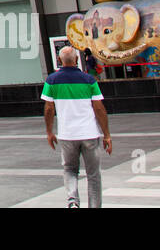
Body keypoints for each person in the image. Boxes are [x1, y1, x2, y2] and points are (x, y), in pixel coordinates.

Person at [43, 47, 112, 208]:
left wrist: (49, 132)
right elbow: (99, 108)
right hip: (89, 134)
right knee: (93, 175)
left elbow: (48, 108)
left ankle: (73, 200)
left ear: (59, 61)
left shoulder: (51, 80)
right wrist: (106, 134)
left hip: (67, 135)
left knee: (70, 170)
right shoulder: (89, 80)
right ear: (76, 60)